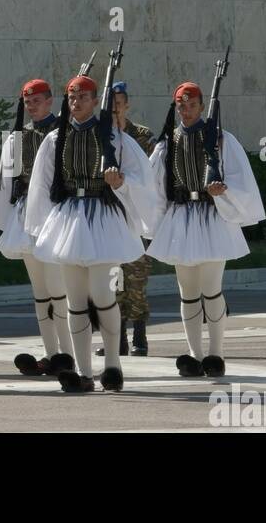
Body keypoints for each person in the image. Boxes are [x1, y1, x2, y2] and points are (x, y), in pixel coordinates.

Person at [25, 75, 159, 393]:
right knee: (75, 301)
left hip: (104, 218)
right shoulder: (56, 138)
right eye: (72, 97)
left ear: (96, 100)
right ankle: (84, 372)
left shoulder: (115, 137)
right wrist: (40, 226)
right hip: (70, 218)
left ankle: (112, 364)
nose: (76, 102)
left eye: (83, 97)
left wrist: (121, 183)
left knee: (102, 294)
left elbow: (143, 179)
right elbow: (42, 184)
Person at [144, 81, 265, 378]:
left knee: (211, 290)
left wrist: (223, 190)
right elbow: (155, 189)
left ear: (201, 106)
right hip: (182, 217)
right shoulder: (167, 144)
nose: (186, 110)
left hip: (212, 218)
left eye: (191, 104)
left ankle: (216, 353)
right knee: (187, 292)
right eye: (181, 105)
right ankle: (195, 354)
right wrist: (155, 225)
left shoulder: (221, 140)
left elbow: (240, 179)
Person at [0, 79, 74, 377]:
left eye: (37, 100)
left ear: (50, 101)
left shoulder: (63, 132)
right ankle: (52, 354)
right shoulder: (20, 136)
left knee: (57, 290)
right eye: (28, 101)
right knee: (40, 292)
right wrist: (1, 219)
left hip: (53, 214)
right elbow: (6, 178)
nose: (32, 105)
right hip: (26, 215)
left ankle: (69, 355)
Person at [95, 81, 156, 357]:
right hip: (107, 216)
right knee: (111, 279)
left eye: (119, 103)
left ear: (127, 105)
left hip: (135, 215)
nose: (115, 108)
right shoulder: (97, 135)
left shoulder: (143, 136)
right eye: (110, 104)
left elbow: (152, 177)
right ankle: (115, 339)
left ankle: (140, 337)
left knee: (137, 278)